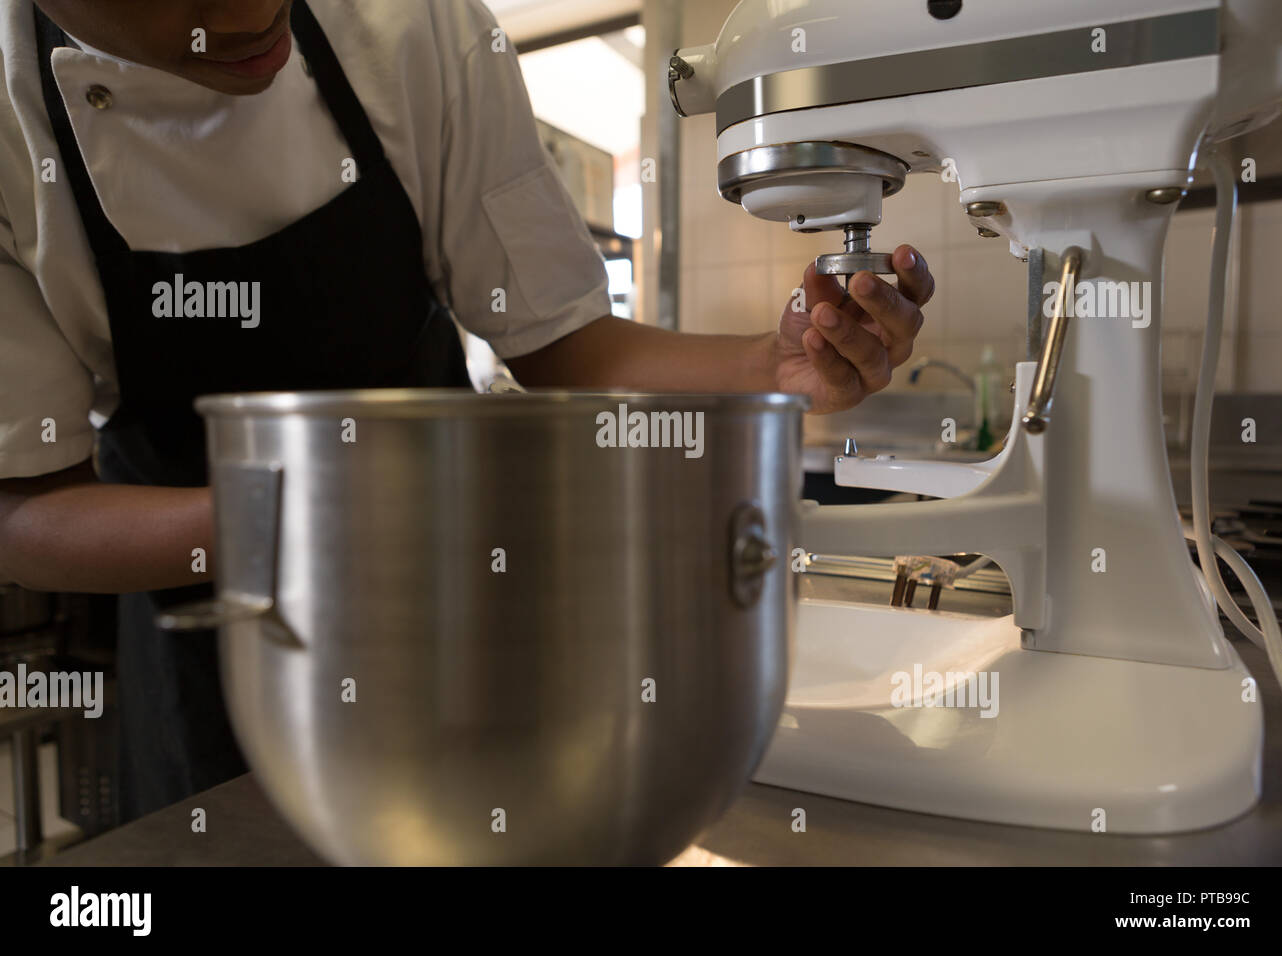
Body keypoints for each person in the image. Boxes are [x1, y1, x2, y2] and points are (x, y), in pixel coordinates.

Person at [0, 0, 932, 821]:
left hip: (450, 628)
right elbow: (25, 507)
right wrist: (296, 514)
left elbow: (566, 344)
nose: (248, 11)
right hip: (212, 647)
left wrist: (773, 368)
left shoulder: (411, 24)